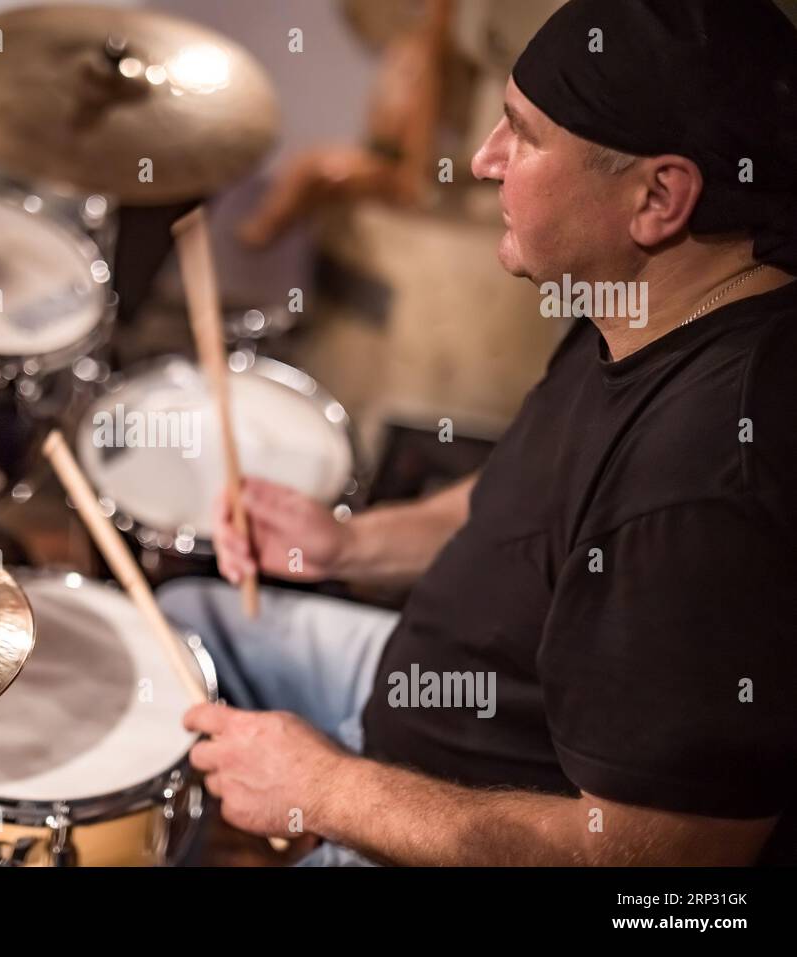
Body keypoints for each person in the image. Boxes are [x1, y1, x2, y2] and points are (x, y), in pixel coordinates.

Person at [160, 0, 797, 865]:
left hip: (455, 815)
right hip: (412, 687)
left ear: (659, 197)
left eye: (522, 136)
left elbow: (658, 864)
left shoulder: (705, 491)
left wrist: (329, 788)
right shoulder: (642, 297)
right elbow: (535, 498)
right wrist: (346, 545)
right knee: (184, 624)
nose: (482, 160)